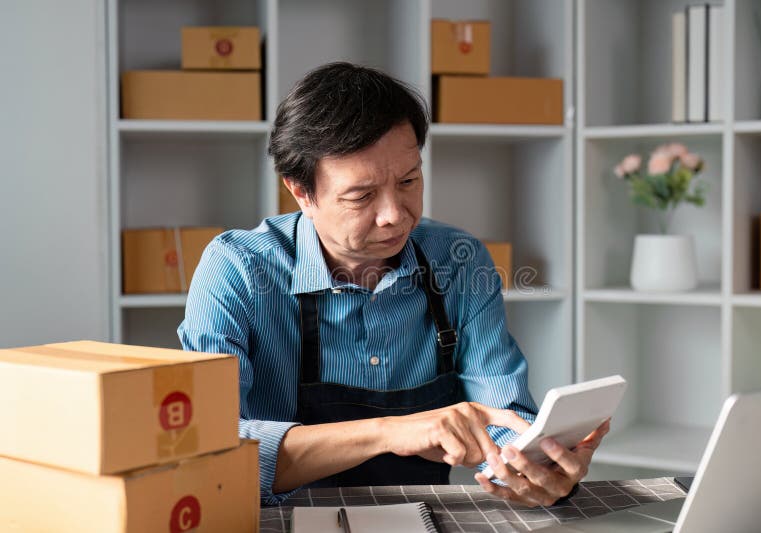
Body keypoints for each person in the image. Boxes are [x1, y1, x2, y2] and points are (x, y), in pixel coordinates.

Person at [178, 62, 609, 506]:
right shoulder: (237, 268)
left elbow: (501, 415)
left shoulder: (457, 261)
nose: (395, 214)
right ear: (301, 192)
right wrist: (391, 431)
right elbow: (210, 446)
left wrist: (533, 466)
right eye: (361, 196)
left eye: (408, 181)